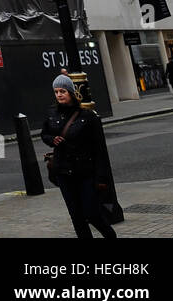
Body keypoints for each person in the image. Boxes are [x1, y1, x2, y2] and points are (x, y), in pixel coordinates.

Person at [41, 74, 118, 240]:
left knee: (92, 213)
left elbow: (99, 150)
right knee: (76, 216)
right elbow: (44, 133)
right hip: (63, 172)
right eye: (56, 92)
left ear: (71, 92)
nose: (59, 95)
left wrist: (101, 178)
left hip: (85, 172)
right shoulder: (52, 114)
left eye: (63, 91)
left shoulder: (88, 116)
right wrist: (51, 140)